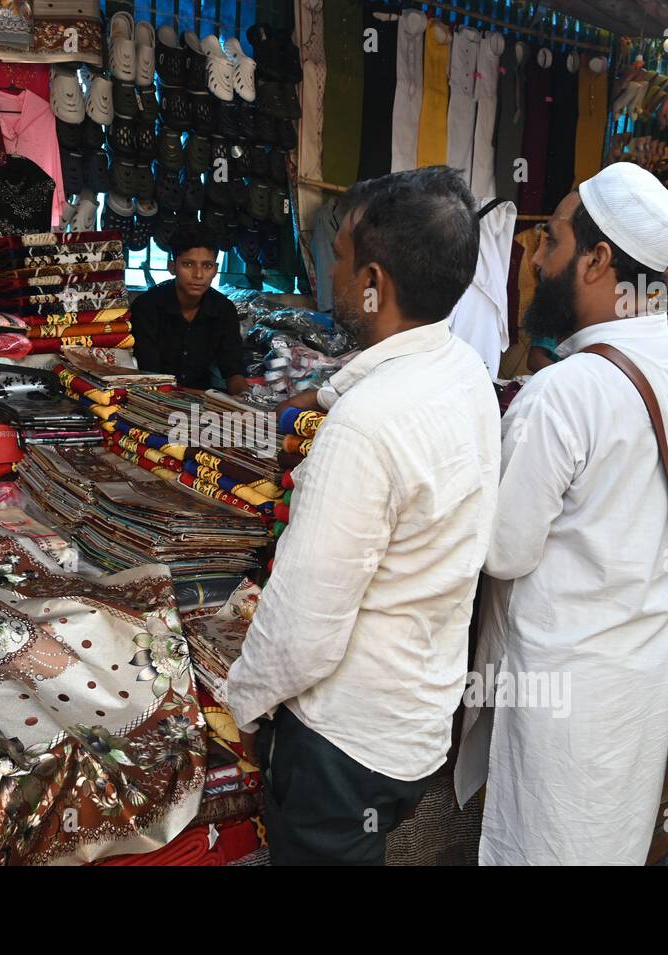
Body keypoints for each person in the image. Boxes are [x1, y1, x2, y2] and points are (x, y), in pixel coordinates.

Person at [225, 166, 500, 865]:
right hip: (417, 721)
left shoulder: (366, 427)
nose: (332, 271)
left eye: (340, 258)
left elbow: (305, 627)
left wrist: (245, 704)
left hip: (342, 744)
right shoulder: (466, 372)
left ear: (374, 279)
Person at [454, 162, 668, 865]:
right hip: (643, 669)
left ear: (599, 259)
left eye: (551, 243)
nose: (537, 261)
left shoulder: (566, 391)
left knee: (544, 843)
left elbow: (505, 551)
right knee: (611, 840)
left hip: (565, 683)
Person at [130, 224, 248, 395]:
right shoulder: (147, 306)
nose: (198, 275)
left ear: (215, 269)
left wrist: (244, 399)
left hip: (204, 403)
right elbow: (150, 377)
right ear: (172, 267)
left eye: (207, 266)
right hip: (153, 399)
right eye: (188, 264)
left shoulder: (224, 309)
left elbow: (233, 371)